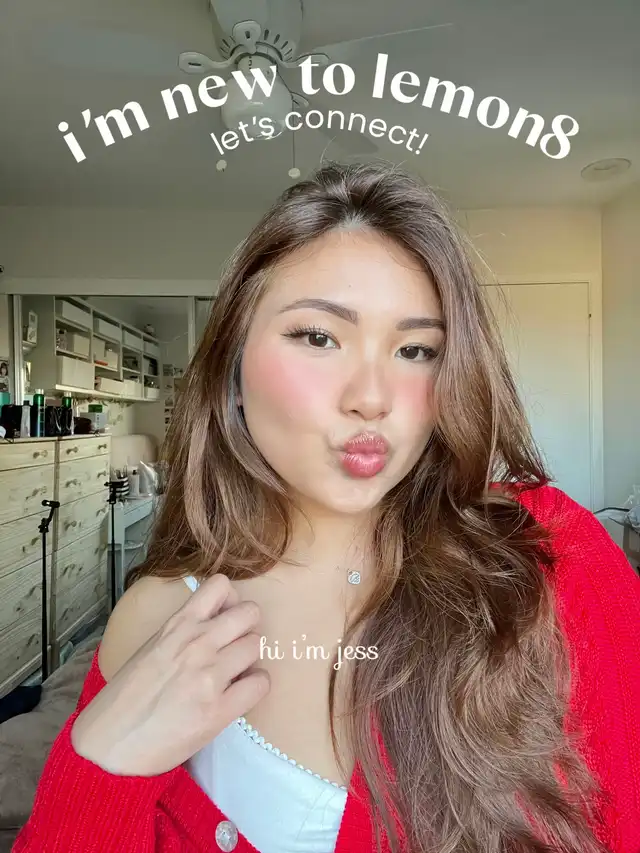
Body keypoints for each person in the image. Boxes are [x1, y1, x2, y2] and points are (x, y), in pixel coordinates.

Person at [13, 162, 640, 853]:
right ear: (232, 368)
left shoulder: (551, 554)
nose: (372, 397)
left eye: (416, 349)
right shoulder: (156, 618)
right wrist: (99, 766)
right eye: (318, 337)